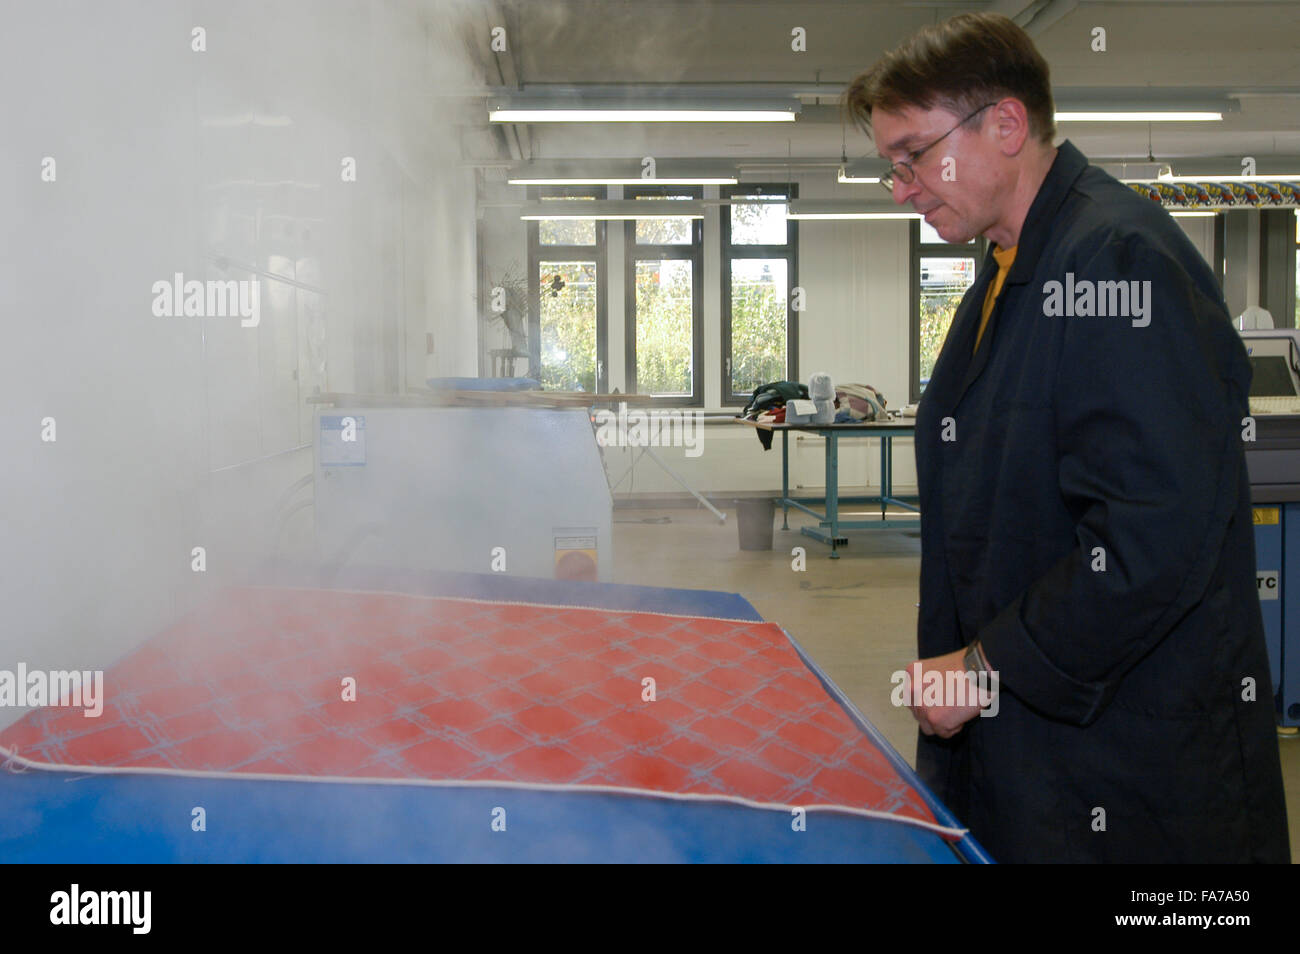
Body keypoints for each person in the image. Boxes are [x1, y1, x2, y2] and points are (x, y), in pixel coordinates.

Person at [844, 11, 1290, 863]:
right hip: (1038, 750)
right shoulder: (1009, 270)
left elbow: (1149, 538)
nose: (901, 184)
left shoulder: (1120, 260)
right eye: (888, 165)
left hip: (1131, 768)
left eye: (912, 154)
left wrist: (983, 667)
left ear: (1006, 125)